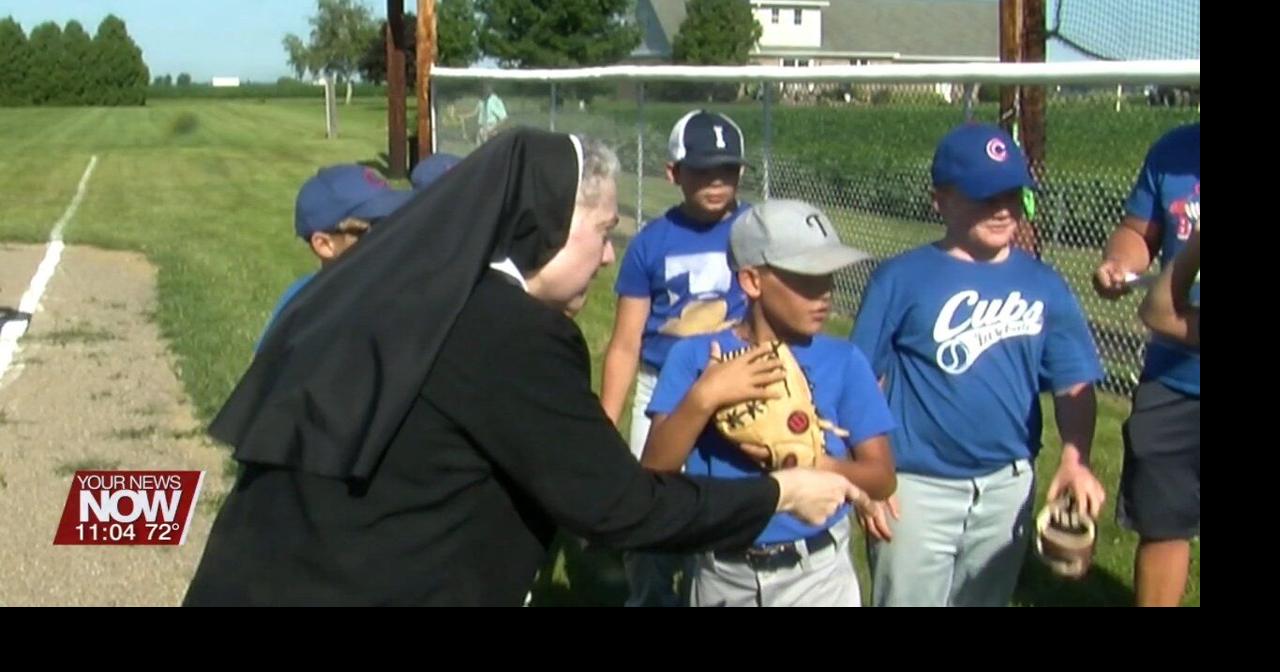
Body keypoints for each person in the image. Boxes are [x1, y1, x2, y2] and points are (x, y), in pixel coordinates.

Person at [183, 128, 860, 607]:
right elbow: (617, 506)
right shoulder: (508, 334)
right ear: (546, 226)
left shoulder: (398, 291)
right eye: (601, 232)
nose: (604, 257)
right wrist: (782, 493)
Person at [851, 123, 1106, 607]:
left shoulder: (1044, 284)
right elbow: (861, 382)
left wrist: (1075, 459)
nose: (1003, 209)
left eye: (1013, 195)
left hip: (1007, 485)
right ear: (940, 201)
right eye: (985, 196)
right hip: (915, 486)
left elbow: (1074, 379)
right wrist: (870, 478)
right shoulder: (902, 279)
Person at [643, 199, 896, 607]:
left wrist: (805, 460)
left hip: (815, 569)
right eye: (805, 278)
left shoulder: (843, 360)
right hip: (723, 570)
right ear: (752, 282)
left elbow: (882, 477)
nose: (824, 293)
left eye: (828, 275)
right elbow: (655, 471)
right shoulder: (695, 357)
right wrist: (705, 397)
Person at [600, 110, 751, 607]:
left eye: (726, 170)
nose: (716, 181)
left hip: (738, 381)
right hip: (661, 385)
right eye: (702, 170)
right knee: (652, 503)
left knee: (727, 499)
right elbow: (626, 341)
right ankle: (649, 597)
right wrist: (607, 418)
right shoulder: (651, 243)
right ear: (673, 174)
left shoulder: (756, 232)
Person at [1093, 122, 1200, 606]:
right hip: (1174, 374)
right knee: (1162, 521)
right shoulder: (1174, 151)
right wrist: (1121, 260)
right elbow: (1138, 232)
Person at [256, 165, 411, 350]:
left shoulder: (408, 282)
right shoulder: (303, 317)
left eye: (396, 219)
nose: (391, 234)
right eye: (375, 228)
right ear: (324, 245)